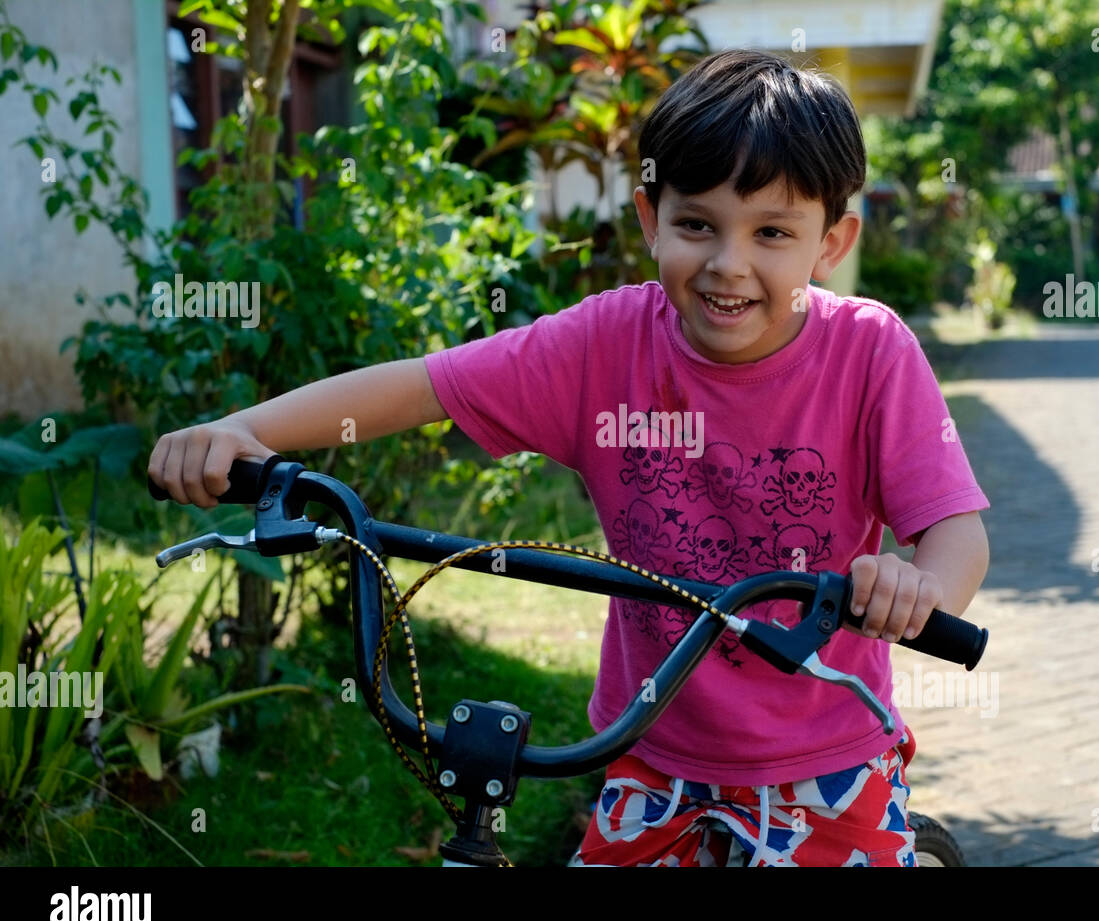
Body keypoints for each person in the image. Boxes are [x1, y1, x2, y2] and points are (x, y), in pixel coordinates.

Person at [148, 49, 990, 867]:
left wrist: (920, 590)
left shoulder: (870, 353)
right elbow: (423, 387)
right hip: (650, 749)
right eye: (697, 224)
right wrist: (241, 432)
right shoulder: (605, 343)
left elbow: (955, 530)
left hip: (829, 755)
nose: (728, 264)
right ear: (650, 219)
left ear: (831, 242)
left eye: (772, 231)